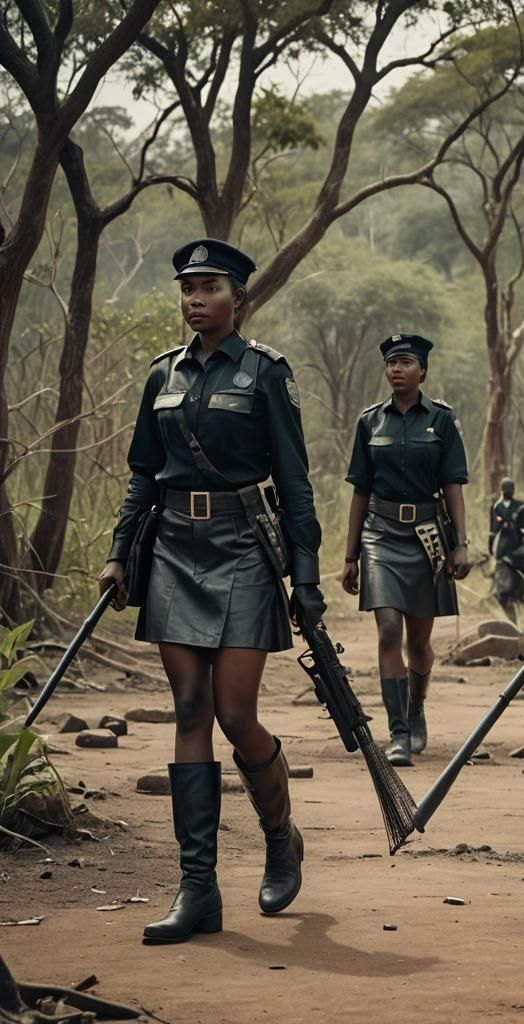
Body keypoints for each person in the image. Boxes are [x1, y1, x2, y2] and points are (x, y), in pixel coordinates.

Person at [99, 238, 326, 945]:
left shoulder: (264, 374)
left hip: (243, 551)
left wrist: (307, 575)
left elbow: (293, 480)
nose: (196, 299)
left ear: (239, 298)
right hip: (172, 551)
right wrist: (117, 555)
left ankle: (280, 835)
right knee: (189, 708)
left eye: (210, 287)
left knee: (234, 713)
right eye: (188, 288)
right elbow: (144, 471)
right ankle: (198, 890)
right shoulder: (161, 375)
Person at [342, 334, 471, 767]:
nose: (397, 369)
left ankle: (416, 709)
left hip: (427, 537)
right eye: (391, 362)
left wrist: (462, 545)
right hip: (379, 535)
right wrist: (349, 555)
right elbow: (360, 491)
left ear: (423, 371)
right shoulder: (369, 423)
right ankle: (397, 733)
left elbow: (452, 485)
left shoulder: (442, 421)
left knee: (419, 642)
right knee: (388, 631)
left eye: (406, 362)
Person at [488, 477, 524, 622]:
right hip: (502, 552)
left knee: (520, 589)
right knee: (503, 592)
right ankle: (512, 623)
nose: (508, 491)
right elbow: (492, 531)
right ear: (501, 490)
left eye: (510, 488)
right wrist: (491, 547)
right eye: (505, 489)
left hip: (518, 552)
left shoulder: (520, 507)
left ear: (514, 490)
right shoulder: (496, 507)